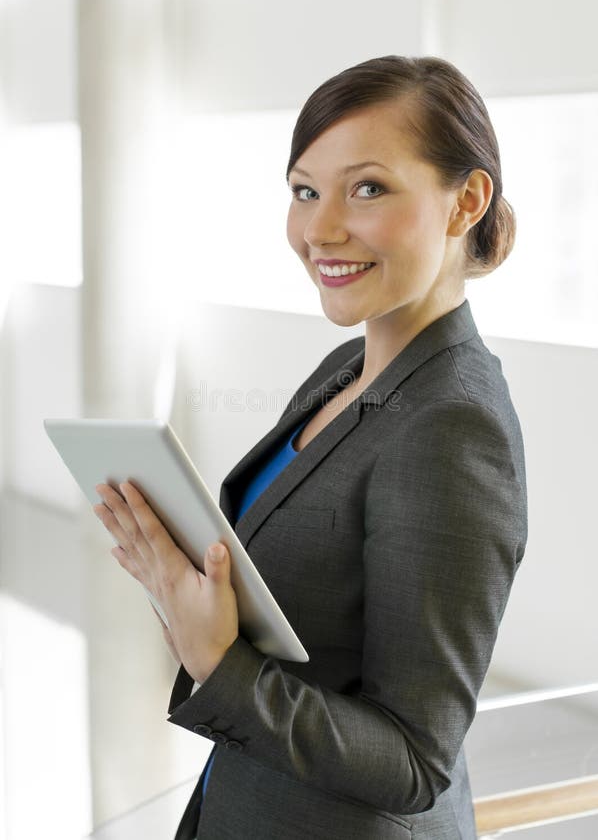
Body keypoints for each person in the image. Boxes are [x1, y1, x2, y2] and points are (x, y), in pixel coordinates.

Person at [93, 55, 528, 839]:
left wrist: (219, 664)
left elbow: (414, 763)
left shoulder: (453, 426)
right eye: (304, 190)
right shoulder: (351, 368)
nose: (319, 229)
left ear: (466, 200)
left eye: (367, 188)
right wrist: (185, 595)